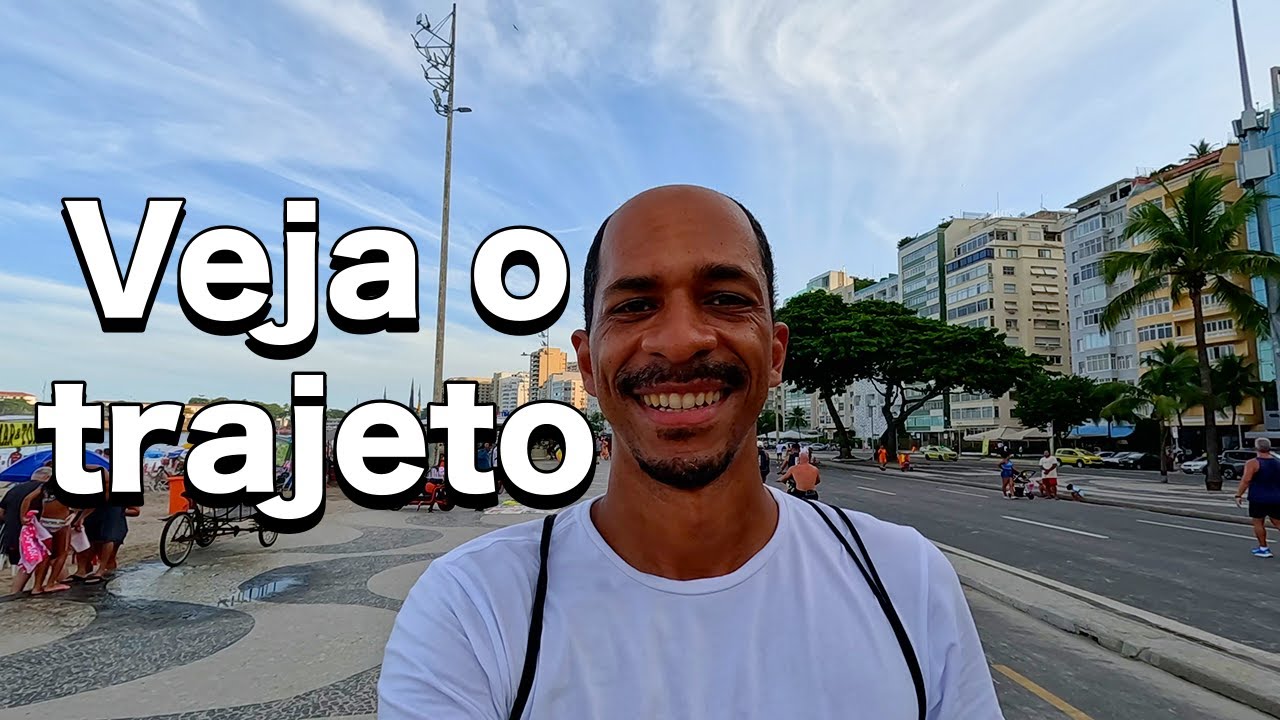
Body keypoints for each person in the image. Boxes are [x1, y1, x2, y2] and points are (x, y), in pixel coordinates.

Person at [379, 185, 1001, 718]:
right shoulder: (474, 609)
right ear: (588, 363)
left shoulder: (907, 582)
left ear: (776, 352)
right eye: (635, 305)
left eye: (727, 299)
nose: (679, 341)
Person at [1234, 437, 1280, 559]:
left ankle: (1263, 548)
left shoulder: (1253, 463)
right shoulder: (1277, 462)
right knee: (1278, 522)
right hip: (1276, 497)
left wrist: (1238, 495)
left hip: (1258, 498)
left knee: (1258, 522)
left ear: (1256, 448)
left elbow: (1246, 480)